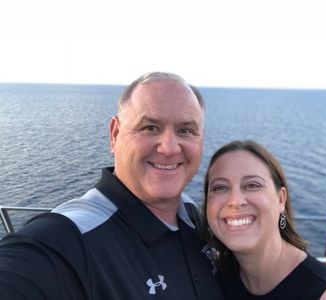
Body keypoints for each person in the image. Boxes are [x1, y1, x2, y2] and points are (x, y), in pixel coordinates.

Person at [0, 72, 224, 299]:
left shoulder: (190, 213)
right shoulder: (68, 239)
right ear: (115, 134)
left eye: (185, 131)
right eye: (150, 127)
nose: (168, 148)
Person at [202, 140, 326, 299]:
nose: (235, 201)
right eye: (220, 187)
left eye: (252, 185)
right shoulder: (214, 278)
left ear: (280, 199)